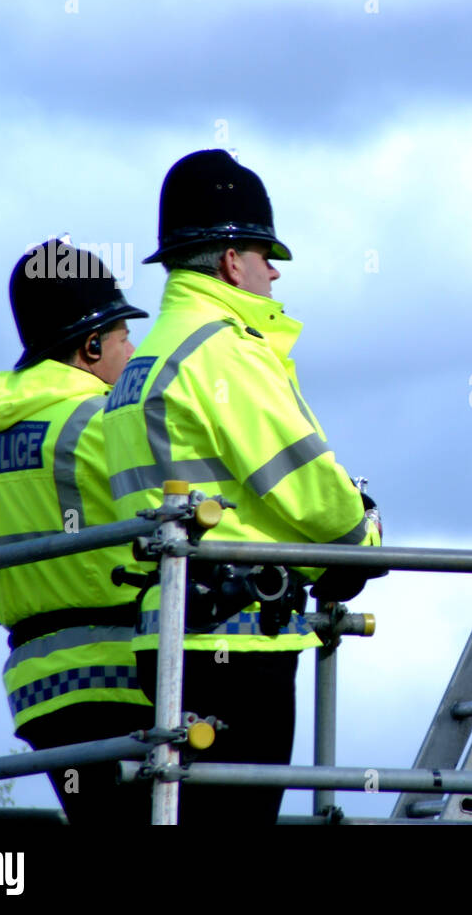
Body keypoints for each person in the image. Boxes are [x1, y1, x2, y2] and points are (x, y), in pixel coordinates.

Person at [103, 149, 381, 825]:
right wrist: (360, 539)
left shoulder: (147, 357)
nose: (274, 271)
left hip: (165, 635)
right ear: (232, 260)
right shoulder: (225, 349)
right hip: (241, 644)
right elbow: (306, 485)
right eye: (265, 254)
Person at [0, 238, 153, 824]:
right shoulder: (102, 421)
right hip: (118, 676)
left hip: (38, 692)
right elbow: (172, 522)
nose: (134, 350)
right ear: (90, 344)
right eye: (124, 337)